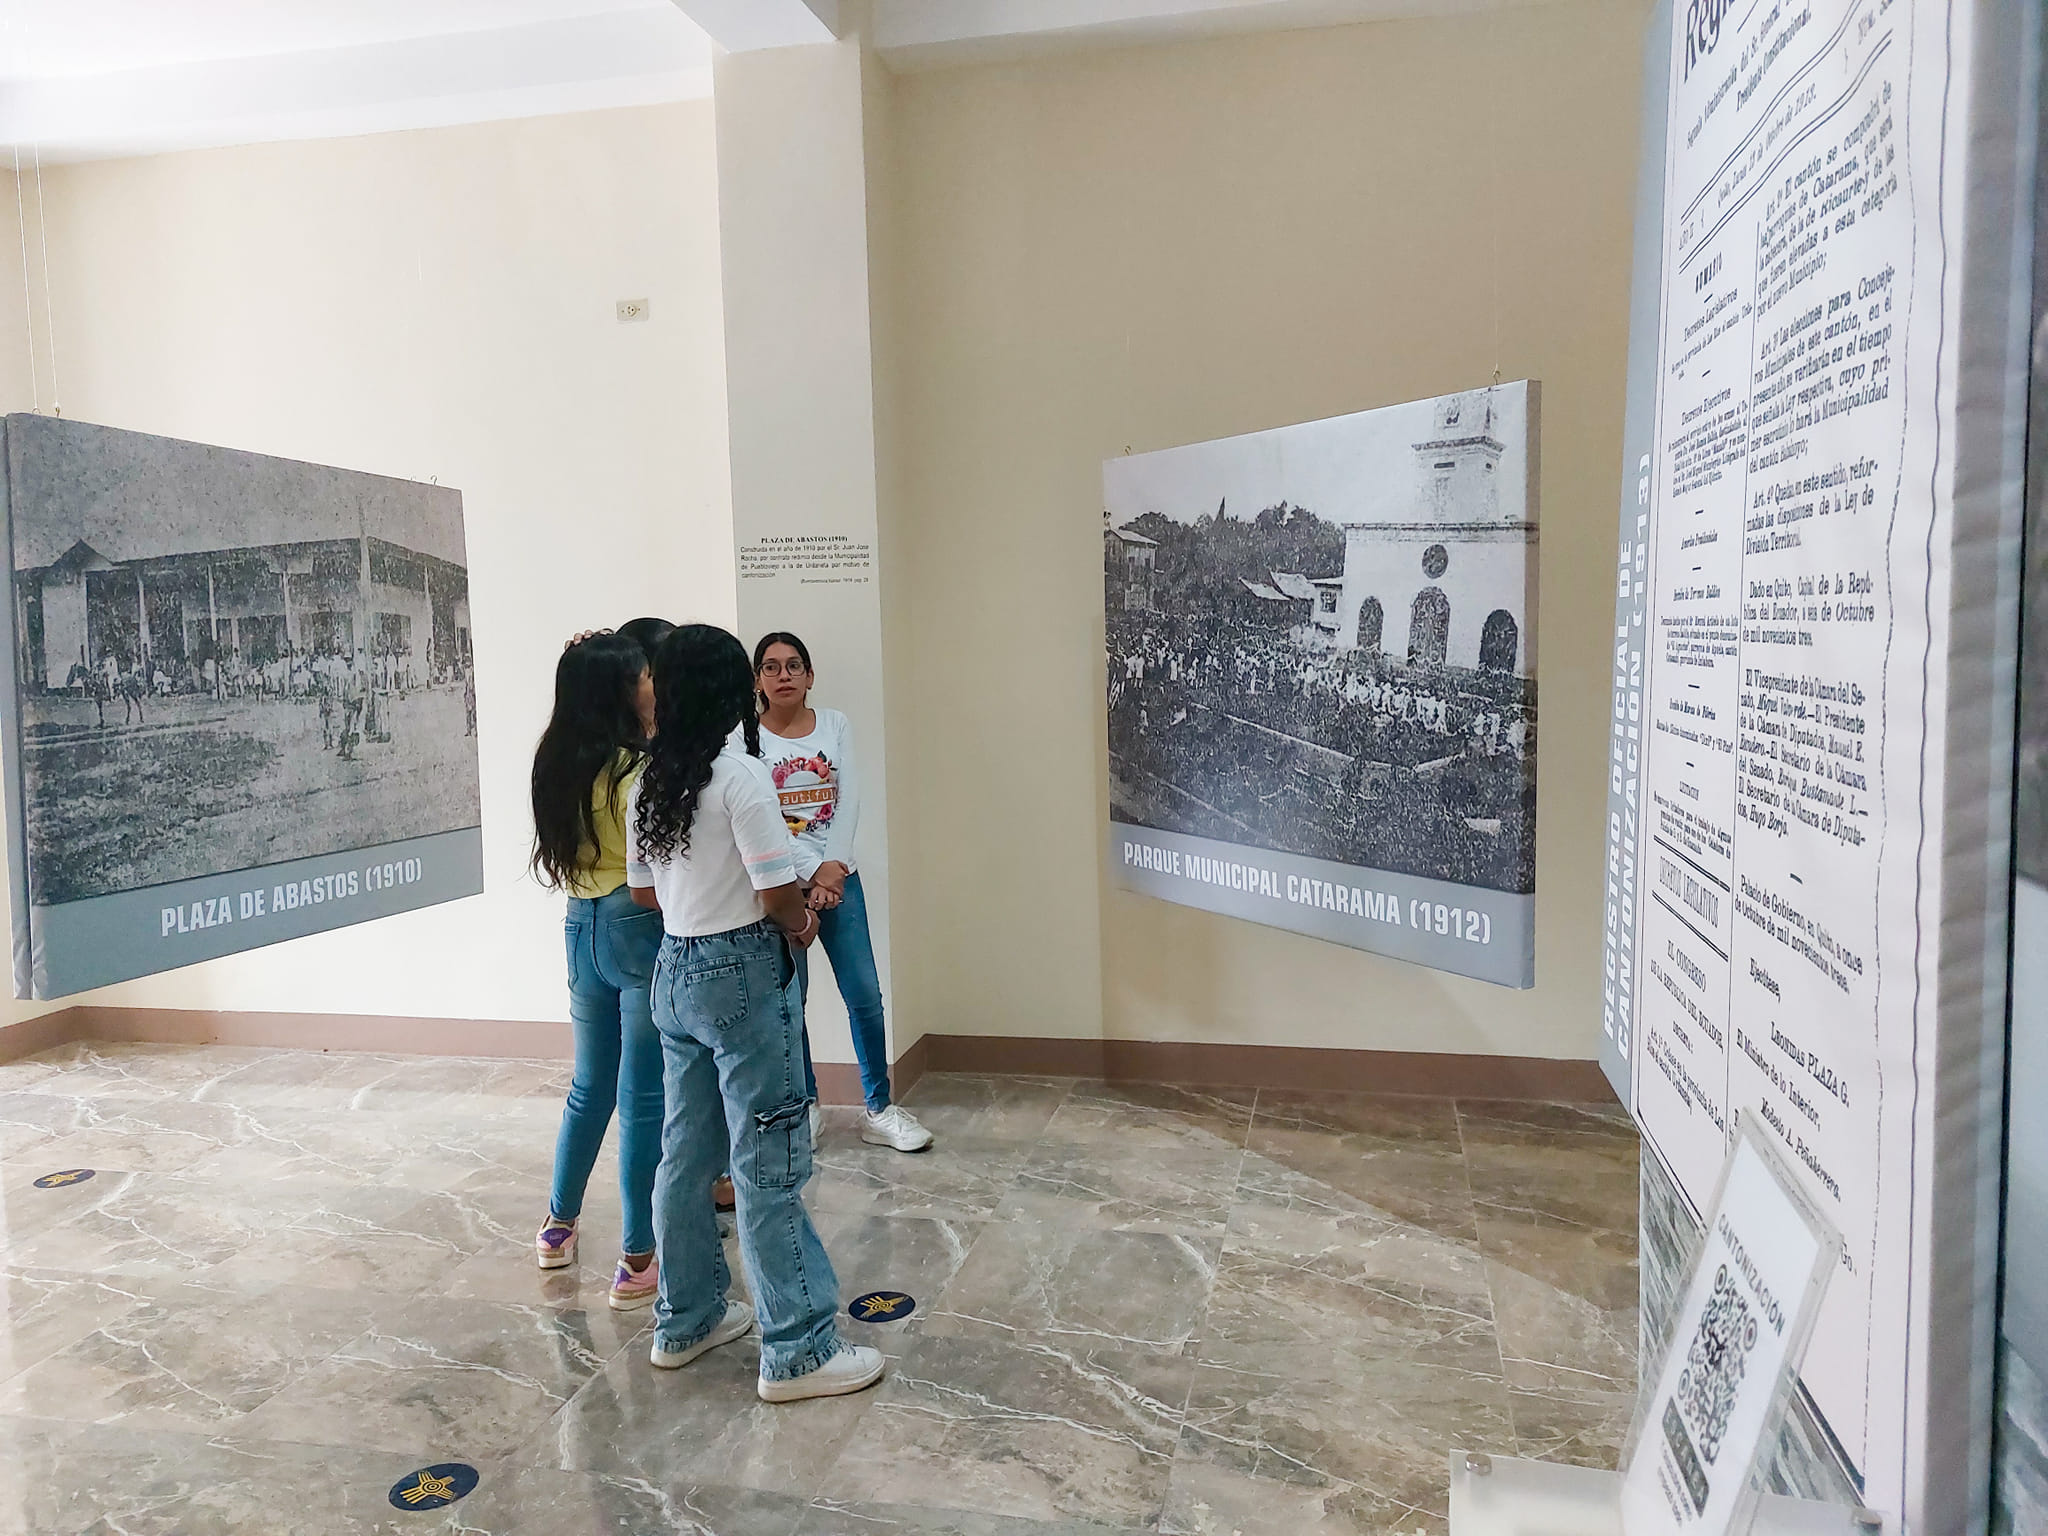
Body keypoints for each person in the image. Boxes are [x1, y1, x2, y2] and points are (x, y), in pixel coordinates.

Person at [627, 624, 884, 1401]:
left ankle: (687, 1319)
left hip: (674, 970)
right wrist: (801, 927)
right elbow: (776, 892)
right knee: (769, 1157)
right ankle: (798, 1349)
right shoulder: (740, 776)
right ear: (730, 690)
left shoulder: (652, 779)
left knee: (685, 1154)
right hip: (741, 971)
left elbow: (642, 891)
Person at [529, 633, 671, 1312]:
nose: (653, 685)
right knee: (643, 1097)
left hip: (579, 924)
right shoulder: (637, 771)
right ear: (622, 691)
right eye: (644, 676)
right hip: (635, 925)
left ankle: (558, 1227)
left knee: (589, 1086)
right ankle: (637, 1259)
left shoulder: (556, 760)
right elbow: (654, 873)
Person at [753, 632, 933, 1153]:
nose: (783, 676)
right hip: (783, 885)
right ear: (757, 680)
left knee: (865, 996)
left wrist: (832, 871)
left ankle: (879, 1108)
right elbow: (761, 821)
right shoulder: (746, 741)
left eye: (794, 666)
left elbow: (849, 797)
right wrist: (813, 872)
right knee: (792, 1001)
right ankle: (806, 1106)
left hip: (840, 880)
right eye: (771, 667)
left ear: (810, 676)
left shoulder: (834, 725)